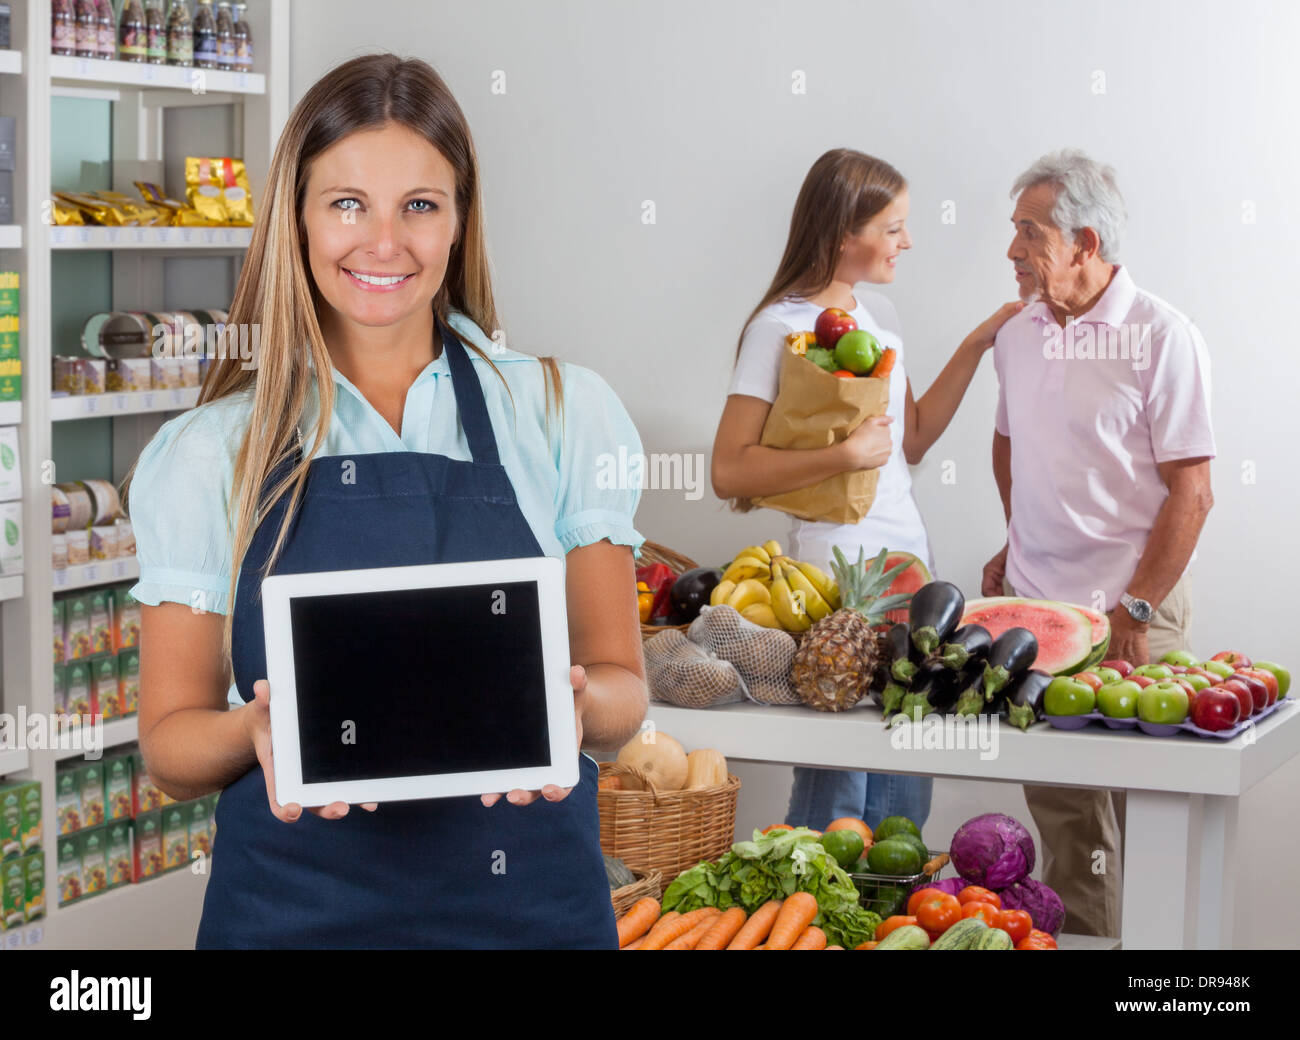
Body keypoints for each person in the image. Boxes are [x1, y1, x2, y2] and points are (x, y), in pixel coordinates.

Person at [125, 53, 649, 949]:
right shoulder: (210, 451)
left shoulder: (564, 411)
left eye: (419, 204)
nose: (383, 242)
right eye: (346, 204)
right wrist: (254, 730)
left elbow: (622, 689)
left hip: (528, 911)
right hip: (294, 916)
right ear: (296, 220)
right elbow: (170, 747)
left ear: (458, 221)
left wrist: (571, 707)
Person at [711, 148, 1022, 833]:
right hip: (838, 580)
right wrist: (843, 453)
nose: (906, 241)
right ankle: (816, 924)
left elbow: (910, 441)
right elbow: (729, 470)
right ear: (842, 234)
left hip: (912, 574)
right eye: (893, 227)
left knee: (905, 781)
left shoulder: (879, 318)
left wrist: (975, 344)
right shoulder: (778, 327)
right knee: (840, 783)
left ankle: (890, 919)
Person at [982, 149, 1215, 938]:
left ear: (1084, 242)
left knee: (1143, 815)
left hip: (1137, 610)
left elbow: (1194, 489)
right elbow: (1008, 442)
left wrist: (1138, 609)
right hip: (1038, 615)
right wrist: (1016, 541)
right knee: (1067, 825)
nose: (1012, 250)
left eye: (1028, 232)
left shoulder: (1163, 335)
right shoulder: (1017, 336)